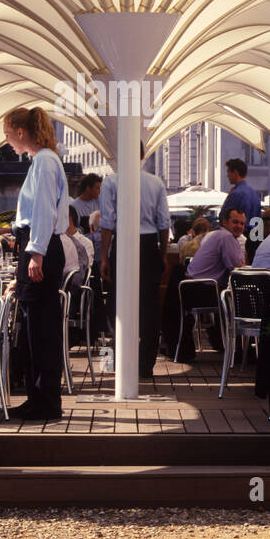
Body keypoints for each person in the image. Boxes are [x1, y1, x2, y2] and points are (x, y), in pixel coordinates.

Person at [6, 105, 68, 420]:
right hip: (38, 244)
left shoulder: (43, 161)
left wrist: (36, 252)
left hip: (39, 245)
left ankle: (45, 401)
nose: (9, 143)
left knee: (40, 327)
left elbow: (44, 209)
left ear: (20, 132)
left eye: (8, 136)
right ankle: (39, 397)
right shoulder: (43, 160)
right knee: (36, 325)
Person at [99, 148, 171, 378]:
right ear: (143, 155)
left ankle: (121, 359)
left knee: (118, 303)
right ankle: (146, 363)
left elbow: (107, 223)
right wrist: (162, 252)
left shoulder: (111, 181)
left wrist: (103, 256)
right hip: (149, 242)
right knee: (149, 306)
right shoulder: (155, 183)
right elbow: (163, 223)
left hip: (123, 240)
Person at [177, 206, 248, 360]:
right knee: (239, 300)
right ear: (225, 222)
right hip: (201, 290)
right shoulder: (227, 237)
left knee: (230, 296)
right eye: (235, 222)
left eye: (242, 224)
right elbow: (237, 269)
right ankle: (236, 350)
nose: (239, 226)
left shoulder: (216, 235)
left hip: (189, 289)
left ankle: (224, 344)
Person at [220, 159, 261, 241]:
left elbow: (223, 217)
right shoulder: (255, 194)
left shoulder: (236, 194)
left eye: (228, 172)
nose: (227, 176)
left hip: (238, 239)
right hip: (254, 238)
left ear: (235, 172)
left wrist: (228, 197)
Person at [64, 206, 93, 284]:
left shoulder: (86, 243)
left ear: (68, 219)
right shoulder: (60, 240)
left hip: (74, 284)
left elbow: (86, 269)